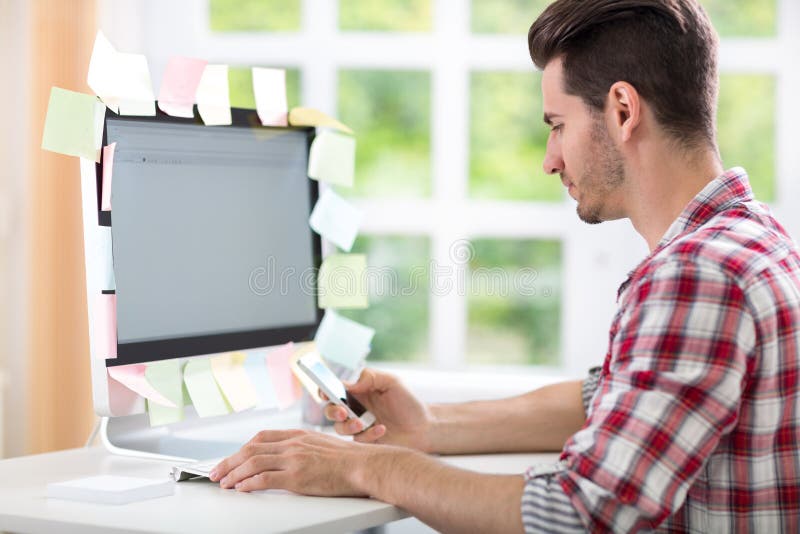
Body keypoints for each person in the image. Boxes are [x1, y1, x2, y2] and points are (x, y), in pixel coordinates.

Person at [210, 0, 800, 531]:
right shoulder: (752, 237)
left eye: (557, 126)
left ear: (622, 110)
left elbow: (576, 513)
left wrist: (369, 467)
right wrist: (432, 426)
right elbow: (611, 401)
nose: (549, 160)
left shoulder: (697, 275)